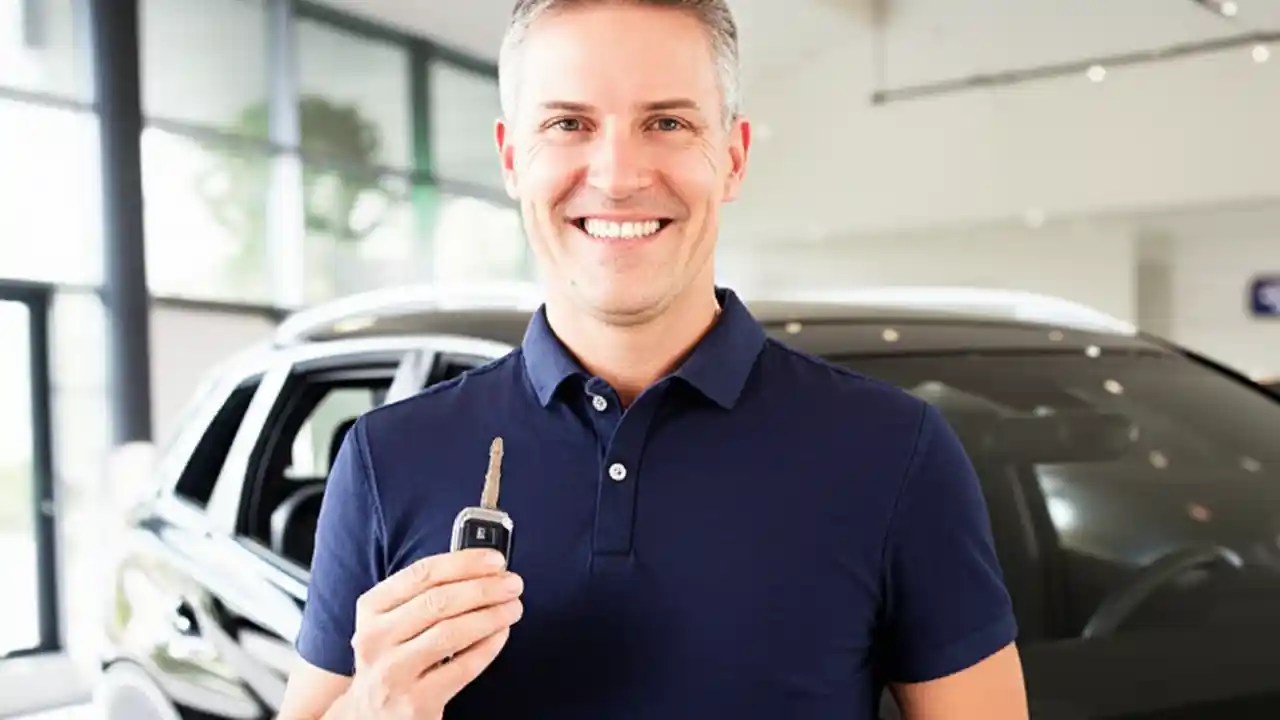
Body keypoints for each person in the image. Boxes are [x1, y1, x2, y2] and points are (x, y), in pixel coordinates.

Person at [278, 0, 1029, 717]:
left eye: (666, 121)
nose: (617, 174)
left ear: (732, 158)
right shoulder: (387, 456)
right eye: (569, 123)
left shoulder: (895, 451)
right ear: (512, 159)